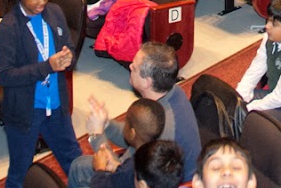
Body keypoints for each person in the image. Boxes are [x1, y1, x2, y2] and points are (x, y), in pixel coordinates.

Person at [0, 0, 81, 188]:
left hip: (56, 104)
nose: (42, 1)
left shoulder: (55, 12)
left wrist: (69, 57)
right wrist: (46, 67)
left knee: (74, 160)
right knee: (20, 170)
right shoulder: (7, 28)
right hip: (25, 111)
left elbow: (67, 46)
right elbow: (5, 76)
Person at [77, 42, 199, 186]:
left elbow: (119, 175)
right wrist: (106, 124)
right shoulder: (172, 92)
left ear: (147, 82)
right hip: (152, 170)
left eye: (134, 68)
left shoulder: (162, 132)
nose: (129, 66)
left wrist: (96, 135)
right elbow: (133, 135)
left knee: (79, 168)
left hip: (160, 181)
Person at [90, 100, 166, 188]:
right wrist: (117, 167)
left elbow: (107, 183)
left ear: (132, 133)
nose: (124, 124)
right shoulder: (158, 155)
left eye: (126, 122)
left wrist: (99, 169)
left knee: (79, 167)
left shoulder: (132, 166)